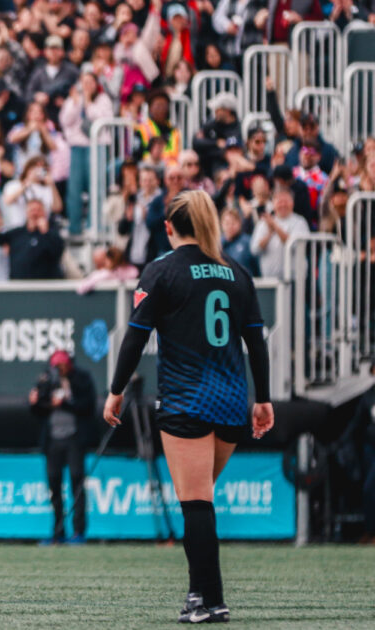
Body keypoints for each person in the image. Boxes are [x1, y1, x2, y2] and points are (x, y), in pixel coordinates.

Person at [104, 190, 274, 624]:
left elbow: (135, 336)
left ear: (168, 227)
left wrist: (116, 389)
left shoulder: (162, 270)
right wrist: (263, 398)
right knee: (198, 500)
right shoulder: (236, 271)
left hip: (187, 400)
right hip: (232, 403)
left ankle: (209, 600)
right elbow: (256, 342)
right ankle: (199, 594)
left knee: (195, 503)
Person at [29, 350, 98, 545]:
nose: (59, 370)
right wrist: (35, 402)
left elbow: (87, 406)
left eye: (62, 365)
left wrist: (65, 403)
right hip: (53, 441)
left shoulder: (81, 379)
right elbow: (39, 410)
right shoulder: (47, 380)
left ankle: (78, 532)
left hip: (74, 439)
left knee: (77, 483)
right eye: (56, 366)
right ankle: (57, 532)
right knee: (54, 485)